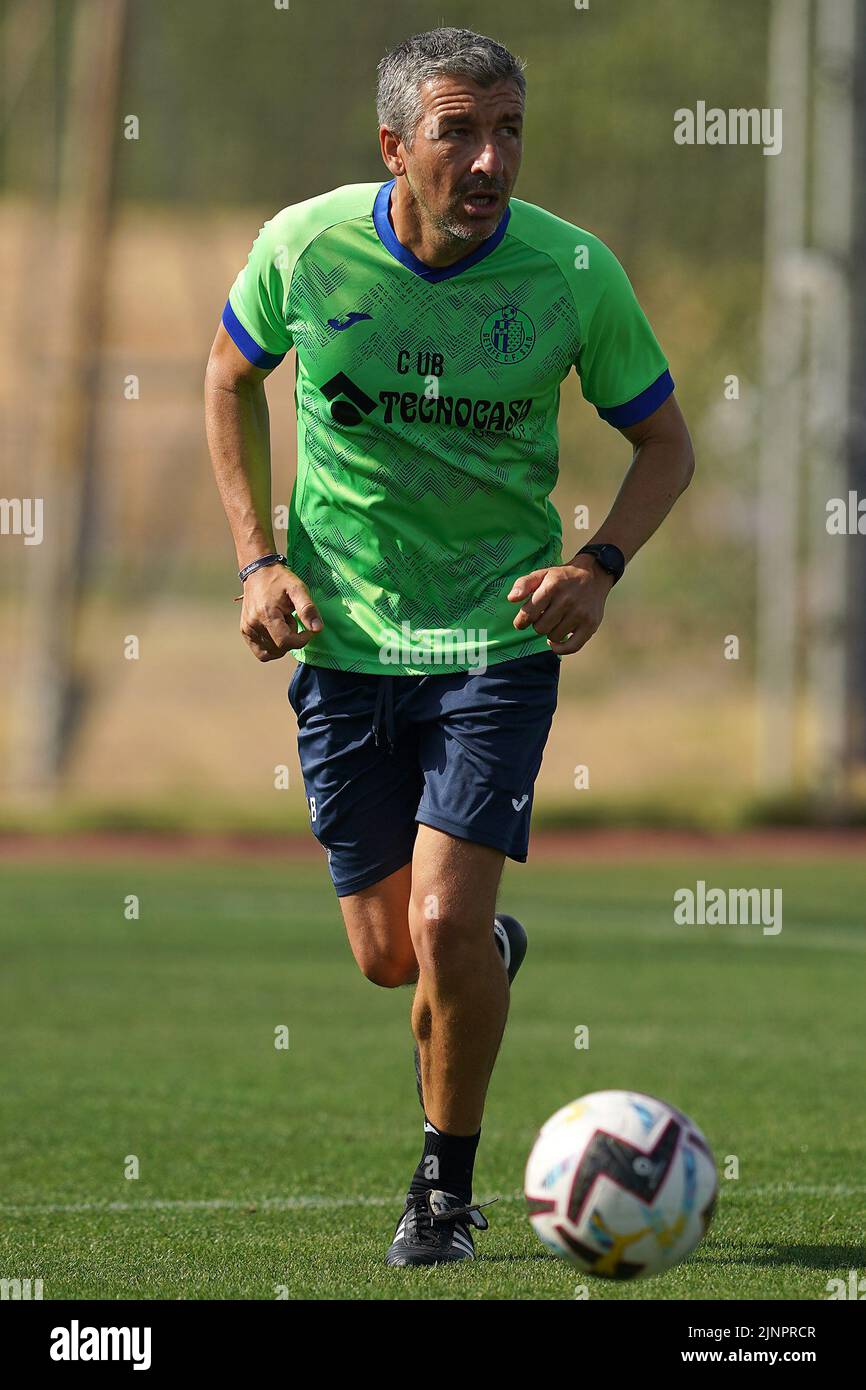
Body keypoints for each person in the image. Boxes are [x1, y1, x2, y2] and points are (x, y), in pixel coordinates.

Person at [204, 26, 694, 1267]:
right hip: (345, 644)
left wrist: (595, 567)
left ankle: (443, 1192)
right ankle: (481, 953)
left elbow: (665, 443)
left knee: (436, 926)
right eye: (457, 133)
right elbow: (224, 377)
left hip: (492, 639)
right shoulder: (301, 247)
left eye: (509, 132)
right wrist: (259, 562)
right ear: (393, 147)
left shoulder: (571, 271)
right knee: (389, 957)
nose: (488, 160)